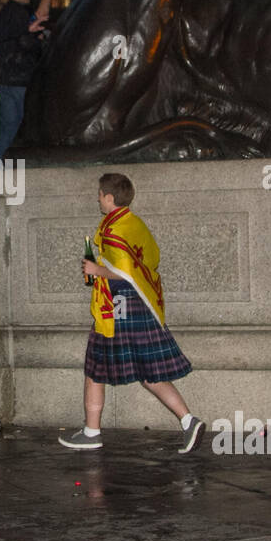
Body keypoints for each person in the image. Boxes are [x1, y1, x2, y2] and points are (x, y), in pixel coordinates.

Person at [60, 172, 205, 453]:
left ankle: (92, 432)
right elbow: (148, 260)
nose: (98, 199)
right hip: (139, 304)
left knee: (95, 366)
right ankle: (189, 421)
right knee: (150, 371)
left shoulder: (114, 229)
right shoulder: (133, 224)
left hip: (117, 306)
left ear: (110, 198)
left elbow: (123, 273)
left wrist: (95, 270)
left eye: (100, 195)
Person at [0, 0, 49, 157]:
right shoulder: (18, 13)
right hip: (20, 78)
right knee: (23, 126)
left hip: (5, 78)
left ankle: (3, 166)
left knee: (8, 126)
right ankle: (18, 165)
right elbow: (25, 43)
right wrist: (39, 41)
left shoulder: (4, 13)